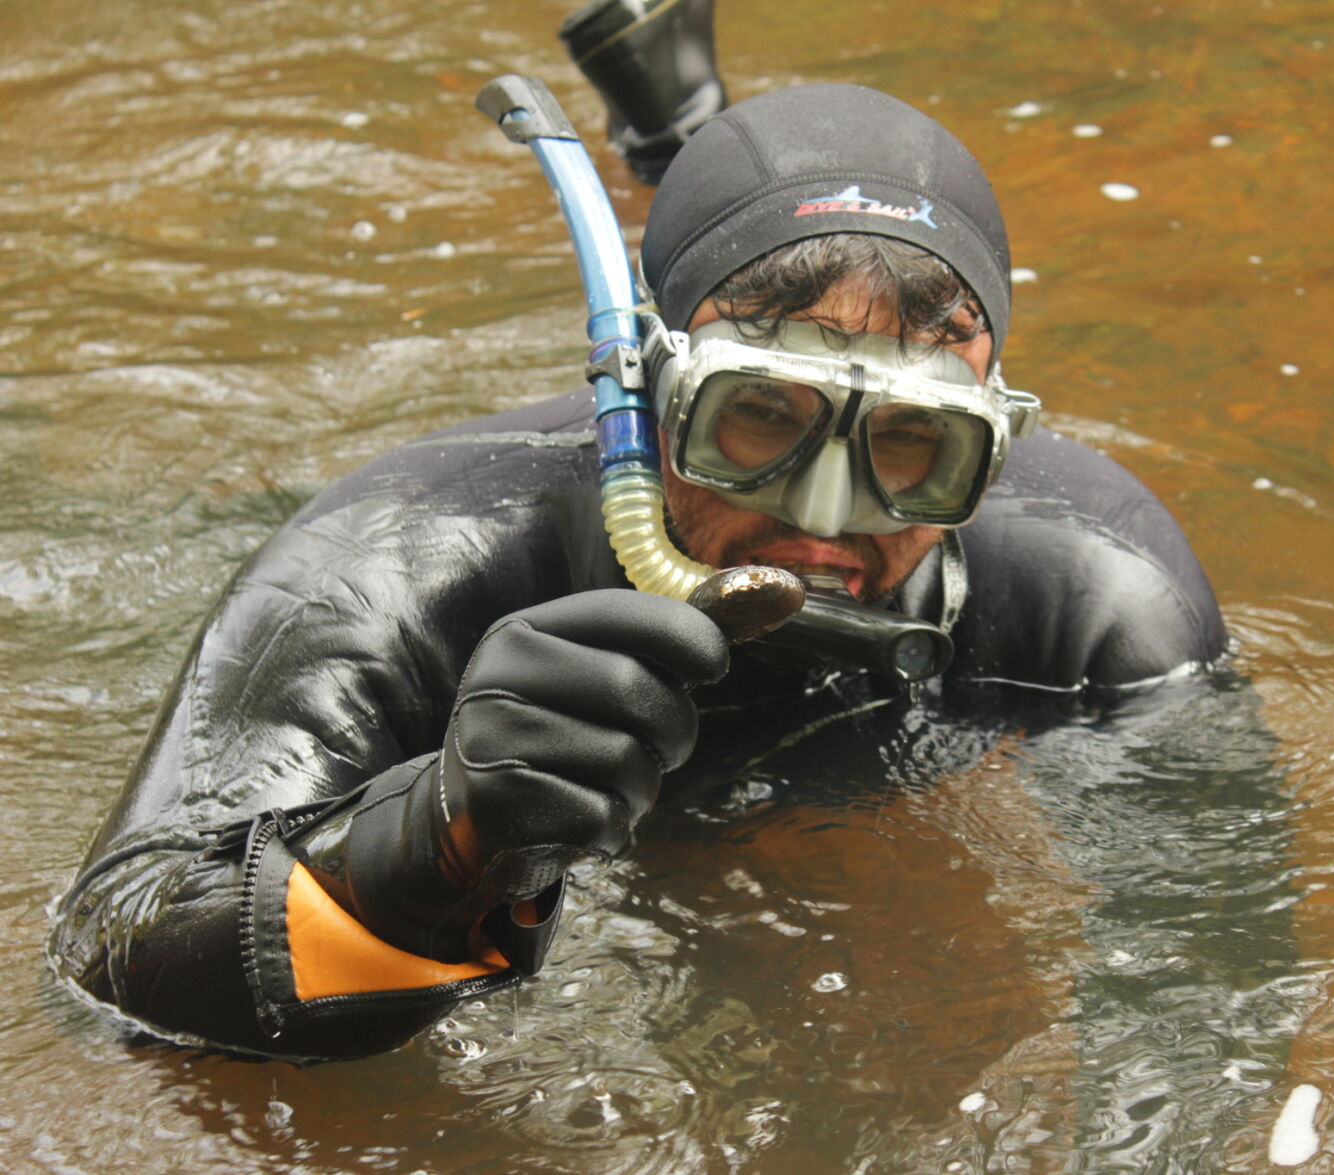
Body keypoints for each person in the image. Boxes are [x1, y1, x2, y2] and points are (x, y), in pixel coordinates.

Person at [48, 83, 1226, 1060]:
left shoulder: (1094, 591)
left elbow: (1211, 970)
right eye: (758, 417)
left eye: (914, 442)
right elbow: (110, 952)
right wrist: (434, 837)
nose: (823, 517)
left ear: (995, 441)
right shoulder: (392, 568)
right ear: (653, 397)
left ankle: (670, 125)